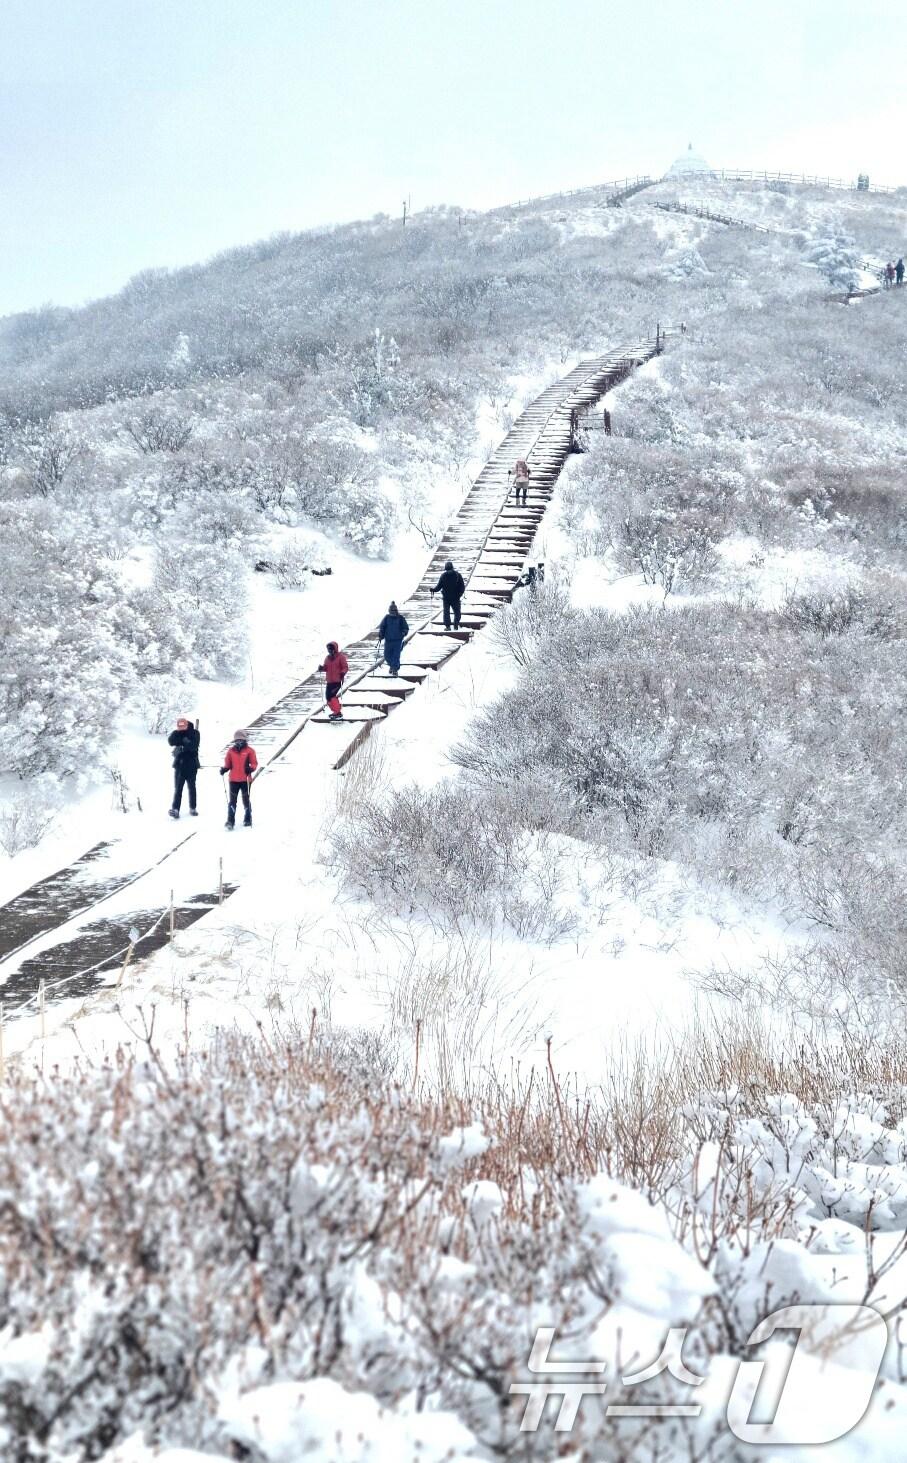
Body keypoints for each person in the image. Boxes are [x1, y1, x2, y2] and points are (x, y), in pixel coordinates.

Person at [220, 731, 258, 829]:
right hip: (233, 779)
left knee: (246, 799)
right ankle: (230, 821)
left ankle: (248, 818)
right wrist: (224, 769)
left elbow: (254, 763)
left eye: (241, 740)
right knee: (232, 801)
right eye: (237, 740)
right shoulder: (231, 751)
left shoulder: (250, 751)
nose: (239, 742)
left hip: (245, 779)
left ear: (244, 740)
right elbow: (228, 764)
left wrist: (251, 768)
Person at [168, 717, 200, 819]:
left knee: (192, 788)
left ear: (187, 725)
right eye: (179, 727)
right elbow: (171, 741)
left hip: (191, 765)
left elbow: (194, 745)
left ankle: (193, 808)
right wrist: (181, 738)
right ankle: (175, 809)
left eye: (183, 727)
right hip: (179, 765)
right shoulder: (177, 733)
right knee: (178, 789)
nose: (181, 729)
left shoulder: (195, 733)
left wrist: (183, 744)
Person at [318, 640, 349, 721]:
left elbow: (345, 667)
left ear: (335, 649)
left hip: (337, 681)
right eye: (328, 649)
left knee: (332, 696)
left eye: (331, 649)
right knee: (328, 697)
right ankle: (335, 711)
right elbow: (326, 667)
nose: (330, 651)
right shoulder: (327, 658)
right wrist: (322, 668)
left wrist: (342, 673)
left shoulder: (341, 657)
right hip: (329, 681)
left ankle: (337, 712)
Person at [431, 560, 466, 631]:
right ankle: (455, 625)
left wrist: (433, 590)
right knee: (457, 612)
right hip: (455, 598)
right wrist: (459, 594)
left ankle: (448, 626)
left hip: (446, 598)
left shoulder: (443, 576)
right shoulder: (457, 575)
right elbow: (462, 587)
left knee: (446, 612)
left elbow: (439, 587)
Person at [377, 601, 409, 675]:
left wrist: (404, 632)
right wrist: (381, 635)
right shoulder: (386, 618)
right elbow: (382, 627)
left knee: (396, 656)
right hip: (388, 640)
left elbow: (406, 627)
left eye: (394, 610)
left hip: (398, 640)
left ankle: (395, 669)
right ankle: (392, 666)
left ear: (396, 610)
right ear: (389, 611)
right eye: (392, 610)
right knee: (386, 655)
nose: (393, 612)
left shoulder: (401, 618)